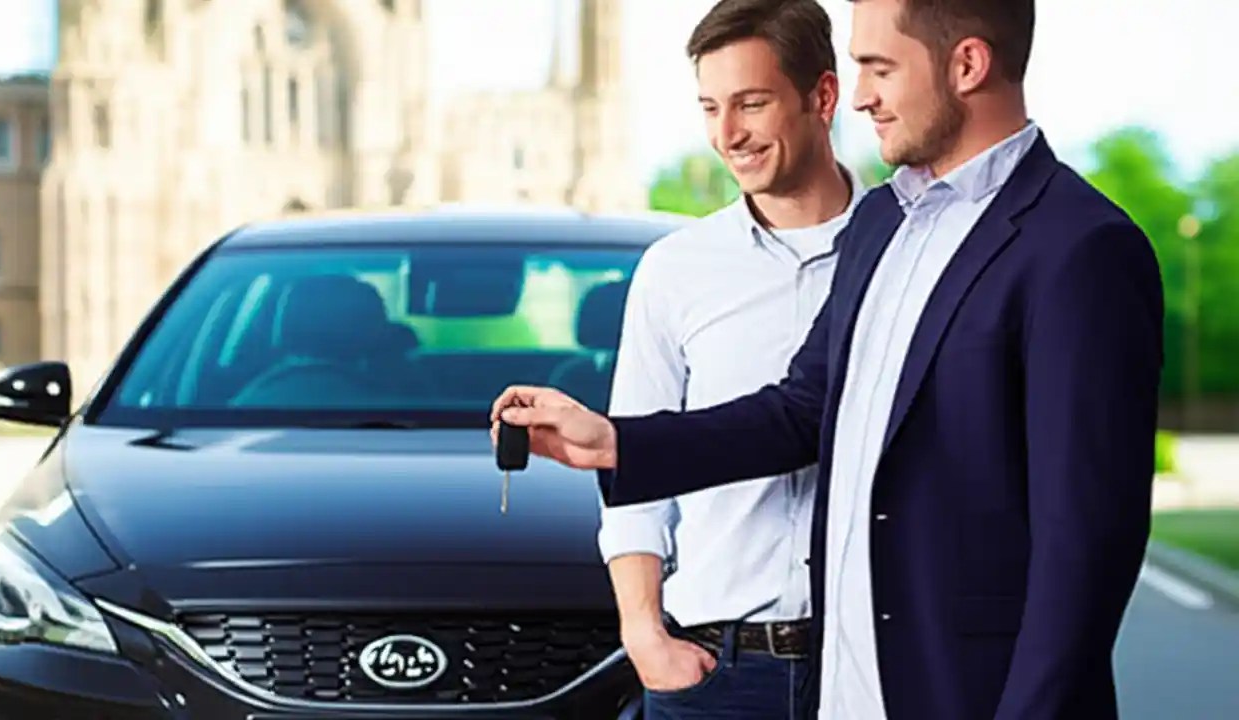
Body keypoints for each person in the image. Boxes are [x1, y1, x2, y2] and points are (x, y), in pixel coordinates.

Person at [491, 0, 1165, 718]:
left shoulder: (1081, 248)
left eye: (880, 67)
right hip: (842, 692)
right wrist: (617, 442)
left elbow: (1084, 548)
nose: (863, 93)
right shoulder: (885, 223)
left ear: (967, 65)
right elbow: (800, 410)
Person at [596, 1, 861, 718]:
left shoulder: (907, 252)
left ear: (823, 97)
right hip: (718, 674)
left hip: (873, 671)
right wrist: (645, 635)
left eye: (751, 103)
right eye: (710, 107)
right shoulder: (676, 271)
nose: (727, 135)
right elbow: (634, 481)